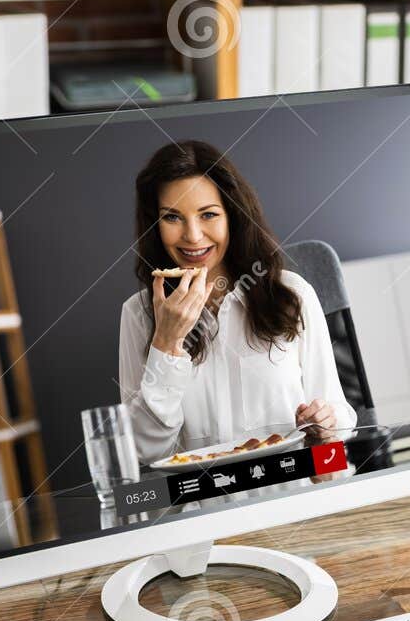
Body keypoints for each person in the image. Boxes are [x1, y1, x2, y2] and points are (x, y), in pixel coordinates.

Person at [117, 140, 355, 463]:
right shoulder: (138, 315)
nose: (193, 236)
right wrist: (166, 341)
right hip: (205, 508)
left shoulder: (293, 294)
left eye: (208, 214)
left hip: (294, 497)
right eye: (172, 217)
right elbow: (144, 453)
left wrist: (328, 425)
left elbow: (338, 421)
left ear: (233, 215)